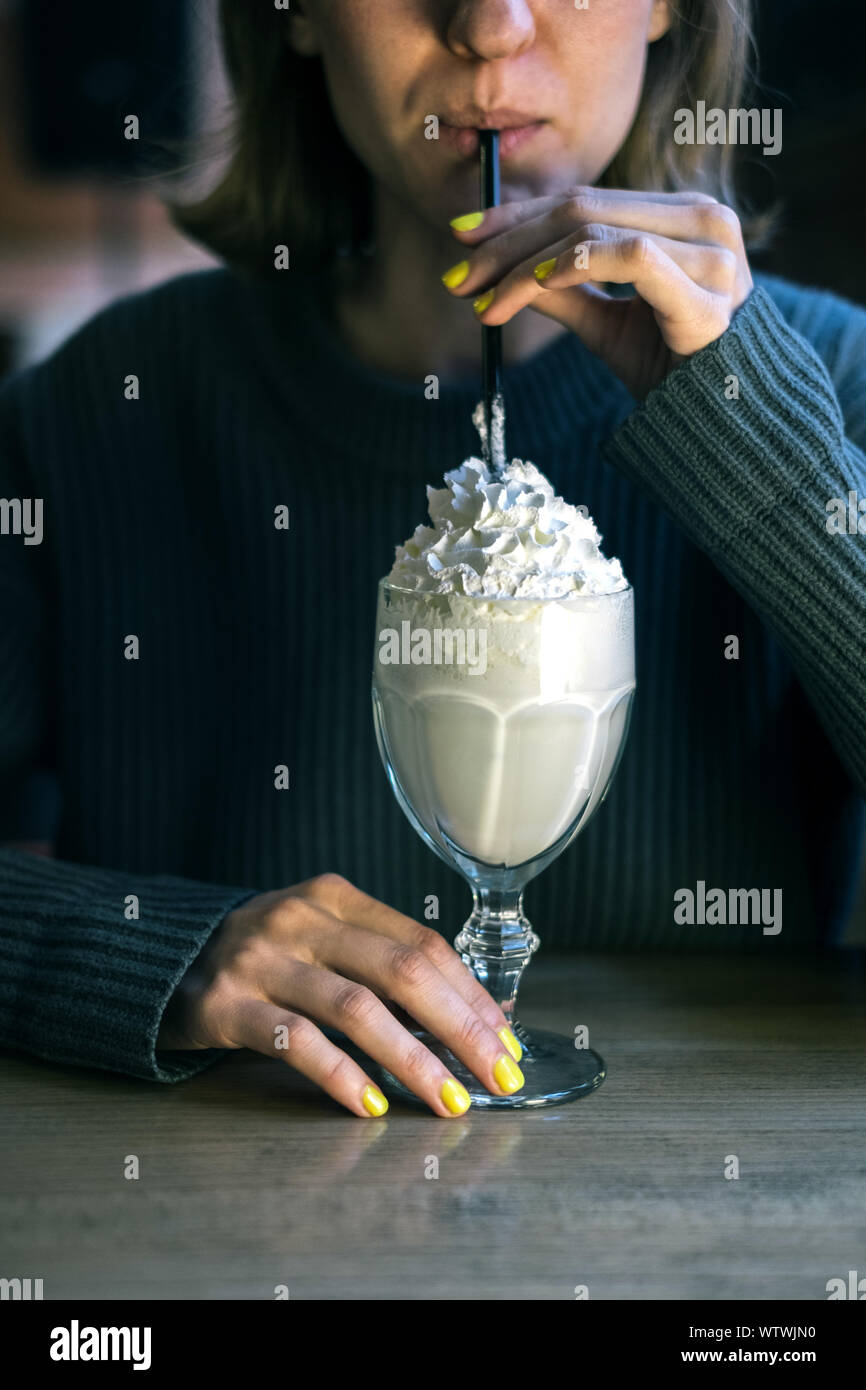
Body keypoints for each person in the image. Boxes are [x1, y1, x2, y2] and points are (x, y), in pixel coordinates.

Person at [1, 0, 864, 1118]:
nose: (490, 26)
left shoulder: (826, 389)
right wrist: (159, 950)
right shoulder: (99, 411)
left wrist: (757, 442)